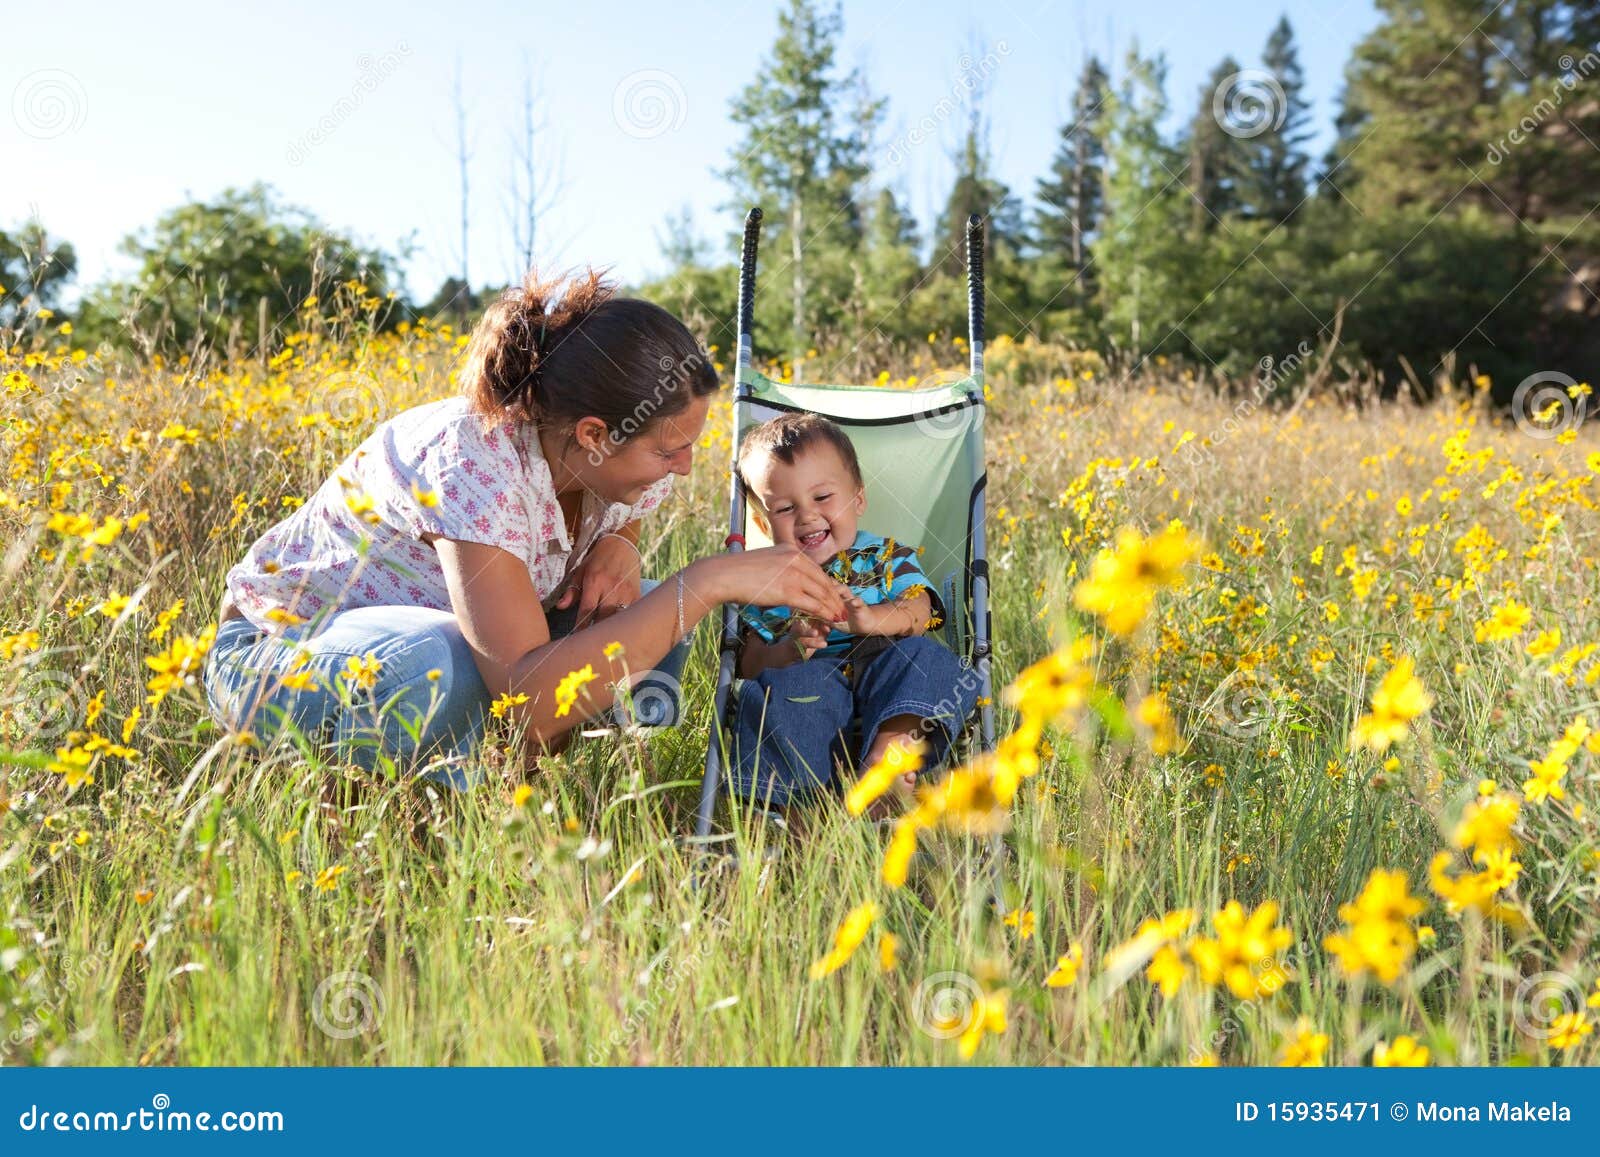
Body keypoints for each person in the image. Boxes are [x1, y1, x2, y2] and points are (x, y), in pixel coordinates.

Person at [203, 269, 849, 787]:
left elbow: (625, 531)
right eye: (667, 451)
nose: (682, 471)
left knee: (644, 606)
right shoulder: (474, 460)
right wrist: (707, 582)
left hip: (393, 644)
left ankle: (522, 792)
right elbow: (523, 700)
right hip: (278, 657)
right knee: (448, 664)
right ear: (595, 435)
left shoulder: (601, 460)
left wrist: (620, 545)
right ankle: (376, 790)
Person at [731, 413, 979, 817]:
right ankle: (796, 816)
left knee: (930, 659)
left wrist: (872, 620)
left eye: (822, 498)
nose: (807, 516)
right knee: (780, 688)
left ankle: (886, 764)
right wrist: (791, 647)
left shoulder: (884, 555)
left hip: (888, 670)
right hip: (814, 685)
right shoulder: (766, 580)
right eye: (785, 508)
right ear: (762, 522)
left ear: (858, 499)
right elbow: (748, 663)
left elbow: (924, 610)